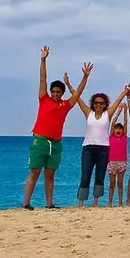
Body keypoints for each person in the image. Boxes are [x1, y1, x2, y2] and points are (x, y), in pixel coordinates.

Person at [22, 47, 91, 210]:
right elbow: (42, 79)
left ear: (62, 93)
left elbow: (78, 93)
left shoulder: (65, 105)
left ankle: (49, 204)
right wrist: (43, 60)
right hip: (40, 140)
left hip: (56, 143)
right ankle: (26, 204)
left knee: (50, 175)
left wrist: (85, 77)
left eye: (58, 92)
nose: (54, 94)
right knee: (34, 172)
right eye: (53, 91)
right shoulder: (43, 99)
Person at [71, 74, 130, 207]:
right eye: (96, 103)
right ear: (93, 104)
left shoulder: (107, 114)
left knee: (100, 177)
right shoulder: (88, 113)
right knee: (85, 175)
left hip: (104, 150)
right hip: (88, 148)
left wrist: (128, 86)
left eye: (101, 103)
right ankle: (81, 203)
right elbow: (77, 98)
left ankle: (95, 202)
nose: (98, 105)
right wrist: (69, 84)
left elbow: (119, 99)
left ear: (105, 104)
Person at [106, 104, 129, 207]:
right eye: (117, 129)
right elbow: (113, 123)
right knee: (112, 184)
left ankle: (120, 203)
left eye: (120, 129)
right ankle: (110, 203)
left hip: (121, 162)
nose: (118, 130)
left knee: (120, 184)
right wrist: (118, 111)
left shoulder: (124, 137)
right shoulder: (111, 136)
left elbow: (125, 123)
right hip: (112, 162)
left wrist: (125, 112)